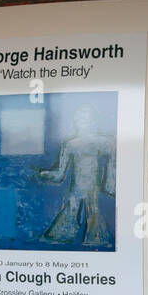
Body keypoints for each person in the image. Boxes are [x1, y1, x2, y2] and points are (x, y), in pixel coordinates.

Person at [37, 104, 115, 247]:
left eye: (85, 119)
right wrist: (48, 174)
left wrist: (110, 180)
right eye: (79, 119)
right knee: (72, 210)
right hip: (77, 186)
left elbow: (112, 160)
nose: (81, 122)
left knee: (93, 211)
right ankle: (70, 236)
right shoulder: (70, 145)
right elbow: (60, 174)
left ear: (93, 121)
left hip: (92, 185)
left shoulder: (103, 142)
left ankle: (95, 238)